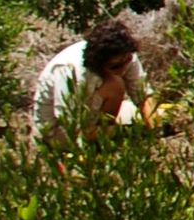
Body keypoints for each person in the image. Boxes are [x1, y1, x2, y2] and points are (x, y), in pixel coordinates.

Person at [30, 16, 145, 144]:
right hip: (57, 131)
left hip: (88, 115)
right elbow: (69, 124)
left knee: (138, 112)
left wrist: (154, 125)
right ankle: (103, 138)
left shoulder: (124, 55)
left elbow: (142, 95)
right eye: (115, 66)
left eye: (127, 60)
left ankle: (105, 132)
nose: (123, 68)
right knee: (114, 85)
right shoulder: (71, 72)